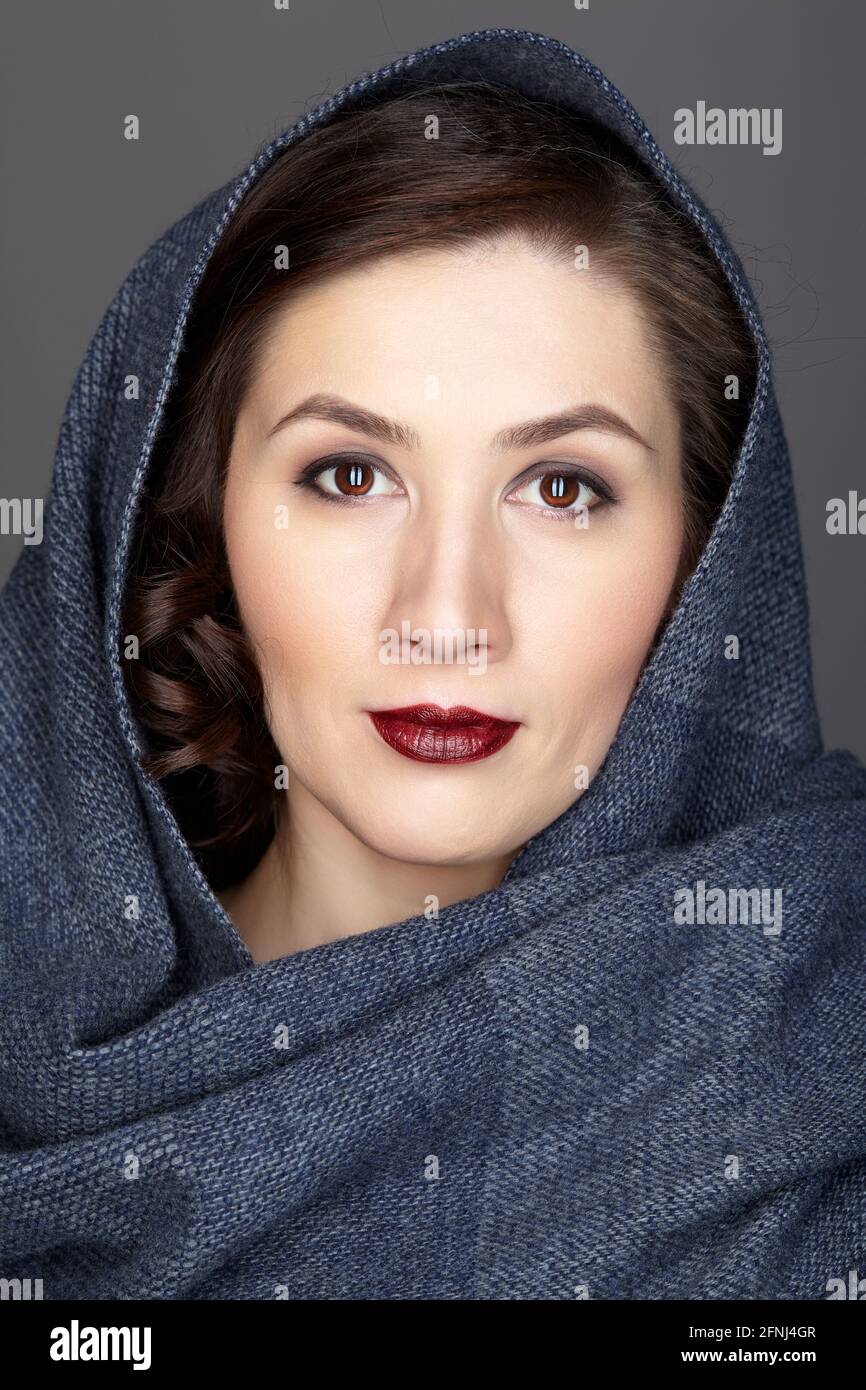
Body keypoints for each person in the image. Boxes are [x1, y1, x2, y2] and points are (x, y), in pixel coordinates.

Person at [1, 28, 864, 1302]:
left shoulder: (820, 1084)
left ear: (704, 559)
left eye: (562, 488)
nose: (447, 613)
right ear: (202, 518)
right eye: (348, 476)